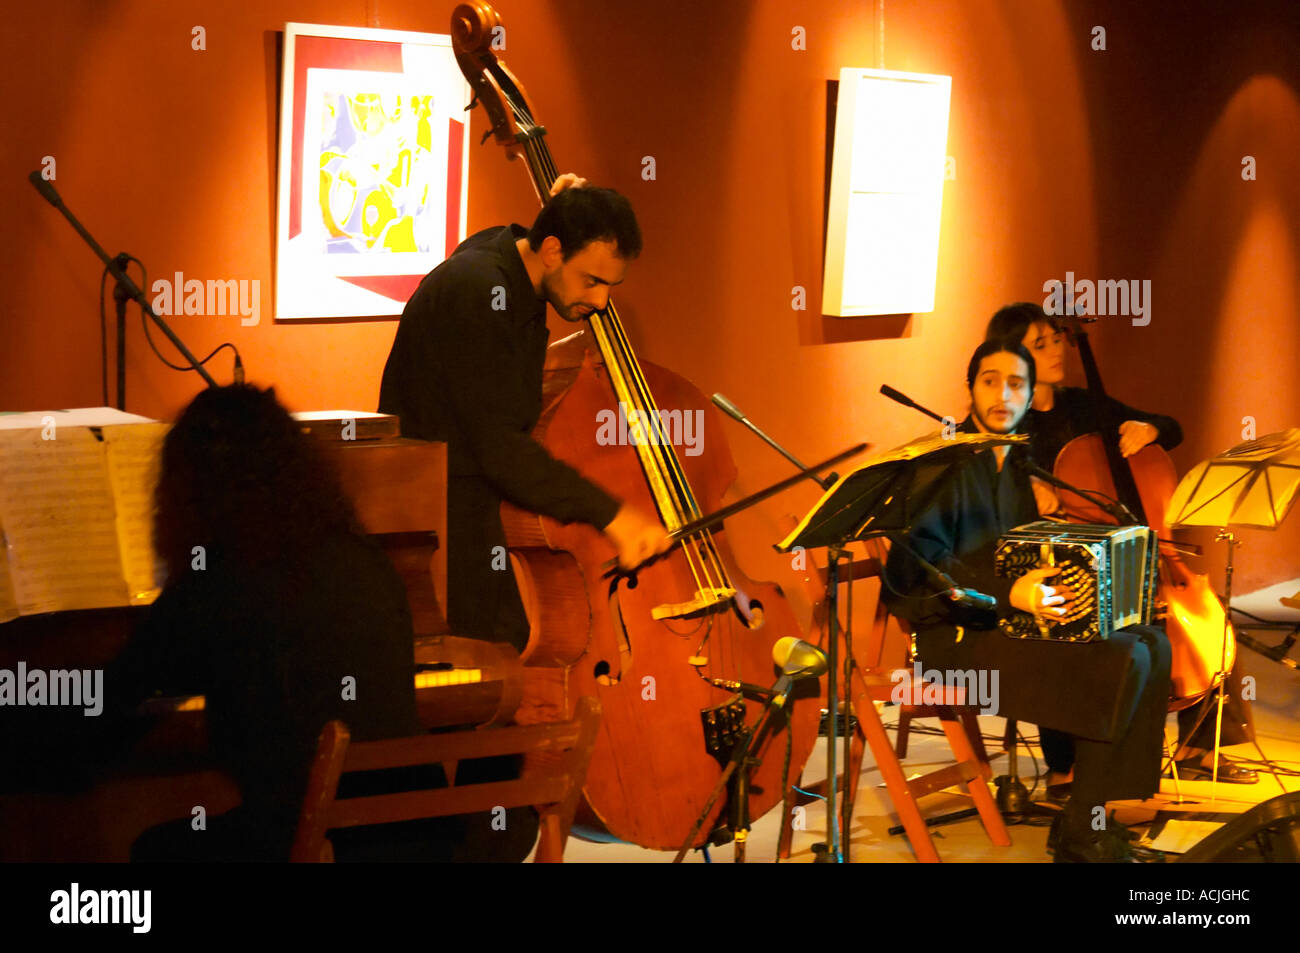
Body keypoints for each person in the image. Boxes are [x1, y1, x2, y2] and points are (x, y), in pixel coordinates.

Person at [105, 385, 535, 861]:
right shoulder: (367, 559)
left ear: (192, 492)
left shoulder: (218, 579)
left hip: (320, 843)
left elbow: (112, 703)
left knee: (160, 850)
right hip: (420, 839)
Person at [882, 339, 1172, 862]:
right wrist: (1007, 592)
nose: (1002, 393)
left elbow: (1015, 550)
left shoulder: (1018, 461)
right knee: (1123, 658)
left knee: (1152, 639)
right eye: (989, 380)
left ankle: (1088, 816)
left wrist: (1066, 579)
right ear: (968, 388)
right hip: (954, 639)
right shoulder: (938, 464)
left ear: (1029, 394)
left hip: (1009, 623)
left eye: (1016, 383)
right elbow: (912, 567)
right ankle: (1082, 833)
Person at [378, 178, 669, 653]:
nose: (600, 303)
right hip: (435, 527)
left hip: (469, 515)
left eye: (610, 287)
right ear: (552, 251)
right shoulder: (478, 288)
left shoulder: (514, 271)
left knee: (504, 655)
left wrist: (566, 210)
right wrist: (612, 516)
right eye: (592, 281)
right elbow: (500, 447)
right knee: (473, 680)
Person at [986, 303, 1257, 788]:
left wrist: (1150, 428)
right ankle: (1065, 766)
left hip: (1142, 552)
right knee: (1068, 624)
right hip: (1073, 561)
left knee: (1210, 623)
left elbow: (1170, 427)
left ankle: (1200, 747)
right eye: (1039, 344)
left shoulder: (1086, 405)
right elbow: (1002, 508)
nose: (1055, 351)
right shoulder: (1012, 425)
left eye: (1055, 339)